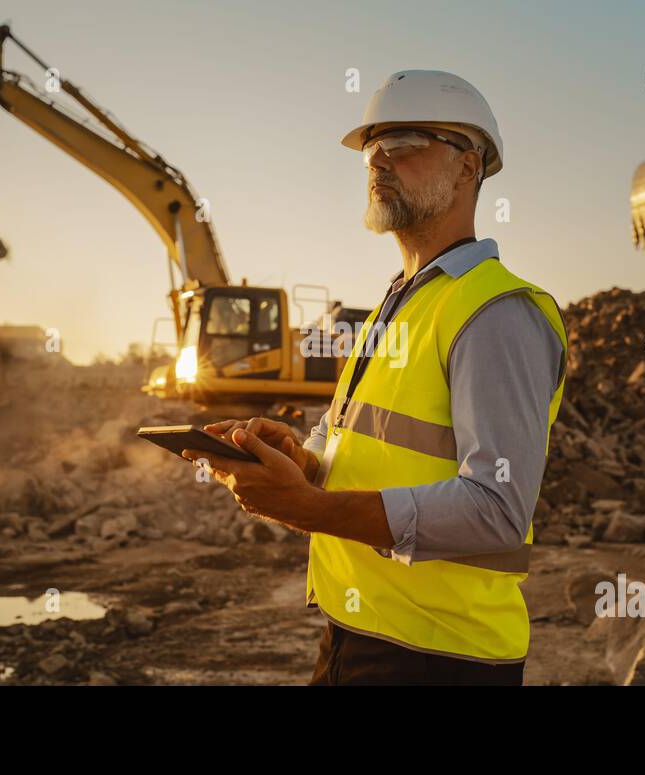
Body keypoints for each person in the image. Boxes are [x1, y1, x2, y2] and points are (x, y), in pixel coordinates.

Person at [182, 70, 567, 685]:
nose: (380, 163)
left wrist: (312, 509)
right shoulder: (397, 303)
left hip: (441, 655)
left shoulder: (496, 313)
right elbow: (372, 445)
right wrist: (303, 461)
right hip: (356, 634)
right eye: (372, 149)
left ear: (469, 166)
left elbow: (496, 509)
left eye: (406, 144)